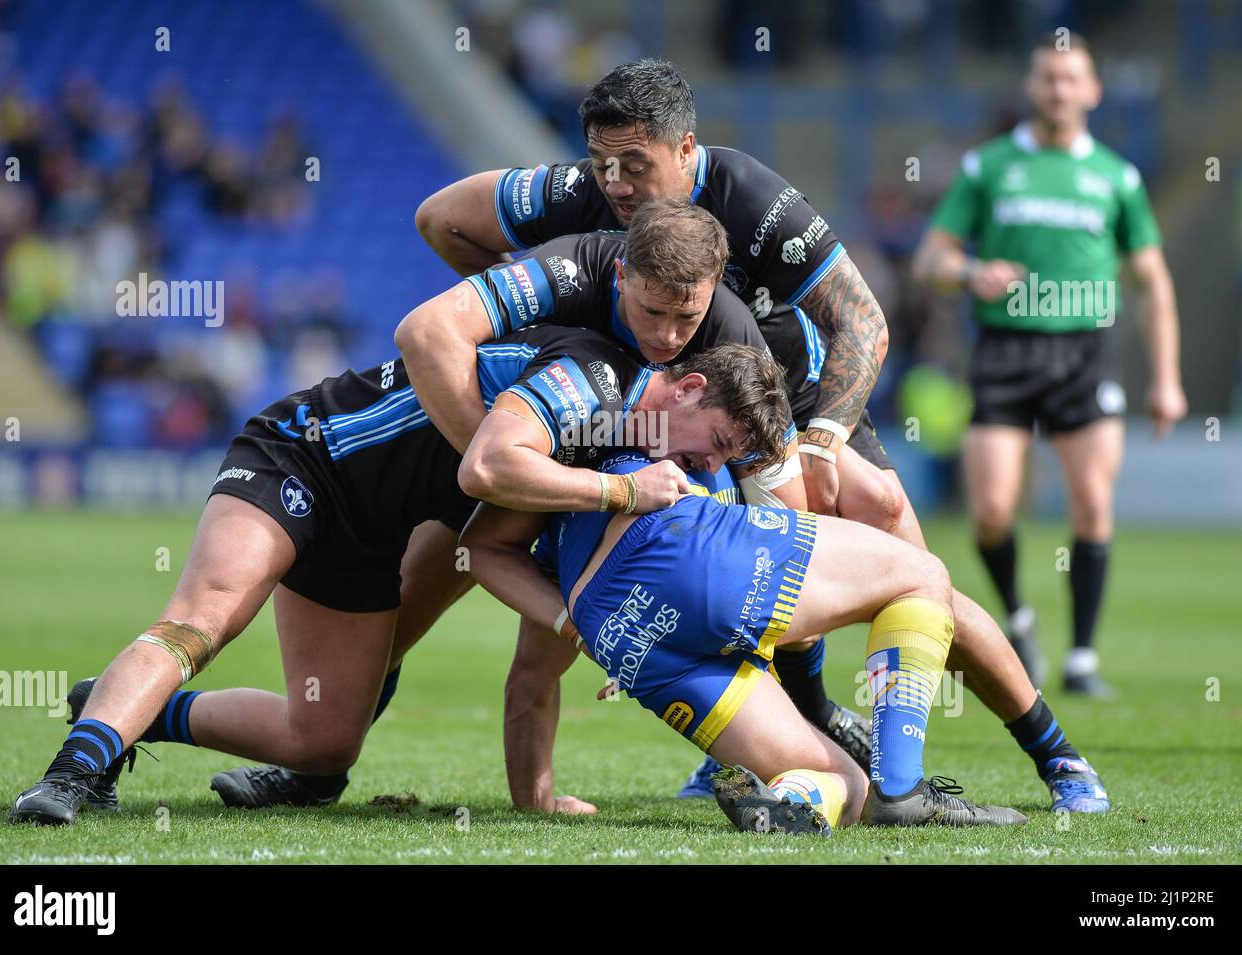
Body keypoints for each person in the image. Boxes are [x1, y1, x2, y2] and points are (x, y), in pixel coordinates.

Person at [417, 59, 1110, 811]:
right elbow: (441, 219)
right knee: (546, 599)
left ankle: (1057, 756)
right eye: (602, 162)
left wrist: (825, 438)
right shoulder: (584, 195)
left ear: (687, 152)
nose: (614, 182)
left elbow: (865, 321)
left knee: (911, 569)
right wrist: (557, 334)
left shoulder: (747, 196)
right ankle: (728, 755)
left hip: (791, 408)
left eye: (636, 166)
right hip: (662, 415)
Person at [9, 323, 786, 826]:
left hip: (367, 536)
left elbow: (487, 551)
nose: (709, 468)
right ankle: (70, 777)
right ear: (684, 388)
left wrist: (584, 626)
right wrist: (622, 493)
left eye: (725, 463)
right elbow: (489, 465)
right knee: (205, 617)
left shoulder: (615, 448)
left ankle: (116, 711)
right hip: (301, 454)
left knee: (324, 740)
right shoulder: (591, 381)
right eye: (714, 442)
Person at [460, 449, 1027, 829]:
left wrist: (535, 804)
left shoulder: (553, 490)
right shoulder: (695, 366)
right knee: (922, 575)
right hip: (682, 550)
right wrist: (828, 437)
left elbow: (528, 678)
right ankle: (903, 790)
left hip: (625, 634)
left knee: (844, 786)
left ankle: (792, 803)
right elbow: (875, 497)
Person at [912, 34, 1187, 697]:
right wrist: (970, 272)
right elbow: (930, 261)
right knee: (991, 513)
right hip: (1006, 350)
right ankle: (1019, 616)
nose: (1059, 90)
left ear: (1092, 91)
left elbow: (1152, 280)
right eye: (1047, 79)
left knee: (1093, 500)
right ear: (1031, 88)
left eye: (1071, 79)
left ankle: (1083, 657)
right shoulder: (989, 168)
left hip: (1086, 353)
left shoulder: (1118, 177)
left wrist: (1168, 379)